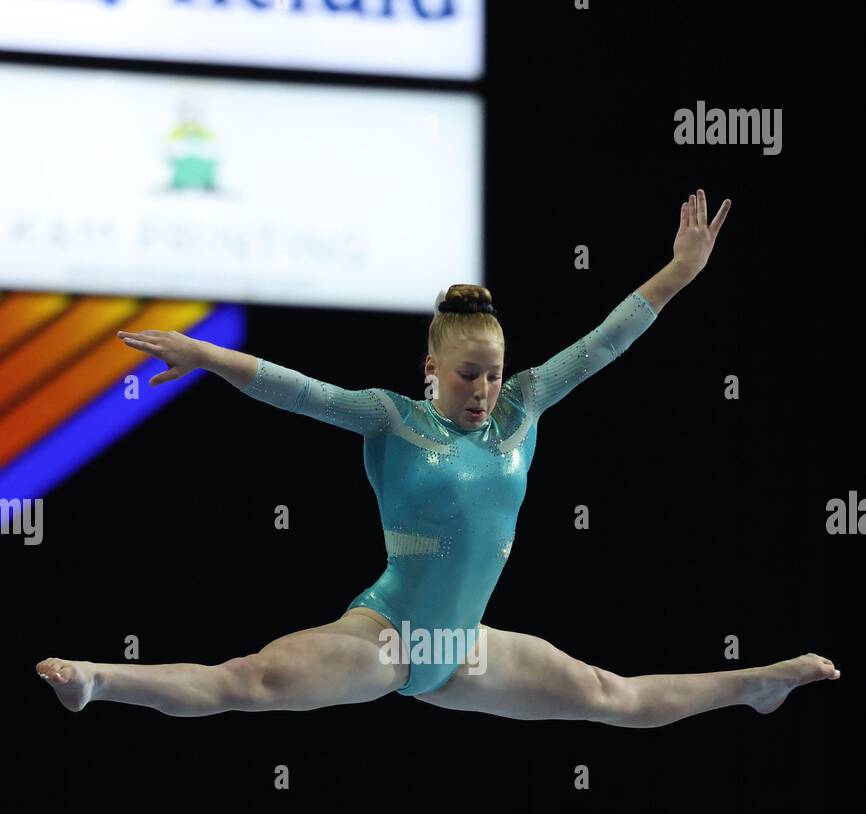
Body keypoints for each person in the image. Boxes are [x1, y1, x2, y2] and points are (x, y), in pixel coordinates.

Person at [36, 191, 839, 722]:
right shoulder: (391, 419)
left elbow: (601, 346)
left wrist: (679, 272)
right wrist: (207, 355)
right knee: (249, 683)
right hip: (386, 641)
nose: (485, 389)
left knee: (611, 696)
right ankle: (102, 678)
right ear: (432, 369)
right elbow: (299, 390)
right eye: (467, 376)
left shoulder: (524, 404)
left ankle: (757, 686)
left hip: (462, 651)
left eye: (492, 373)